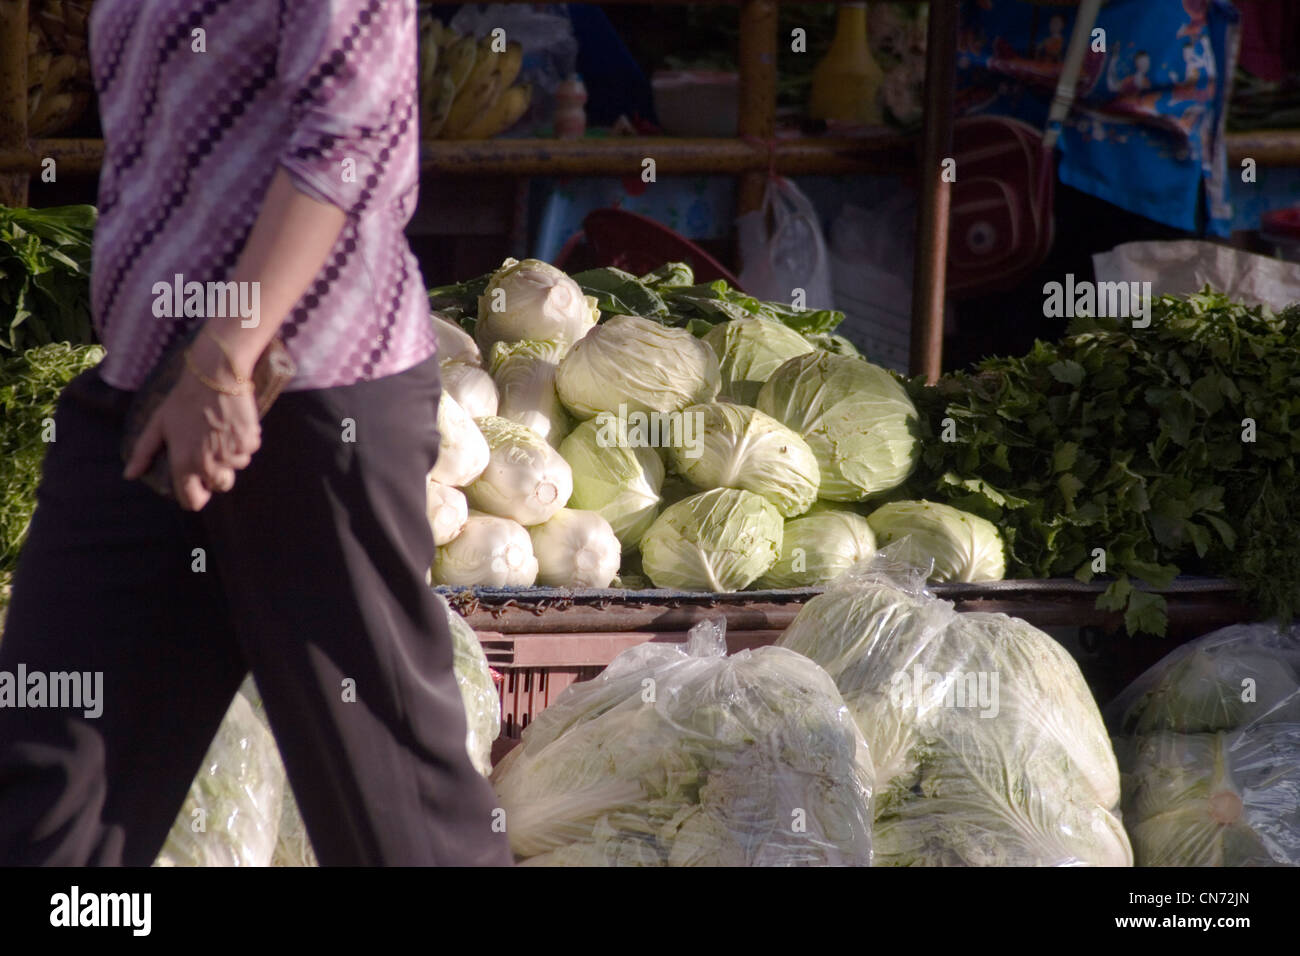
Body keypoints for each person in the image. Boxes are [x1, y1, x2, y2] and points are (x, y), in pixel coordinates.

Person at [0, 1, 511, 866]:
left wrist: (225, 358)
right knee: (54, 774)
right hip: (143, 390)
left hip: (311, 395)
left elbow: (355, 132)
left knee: (389, 808)